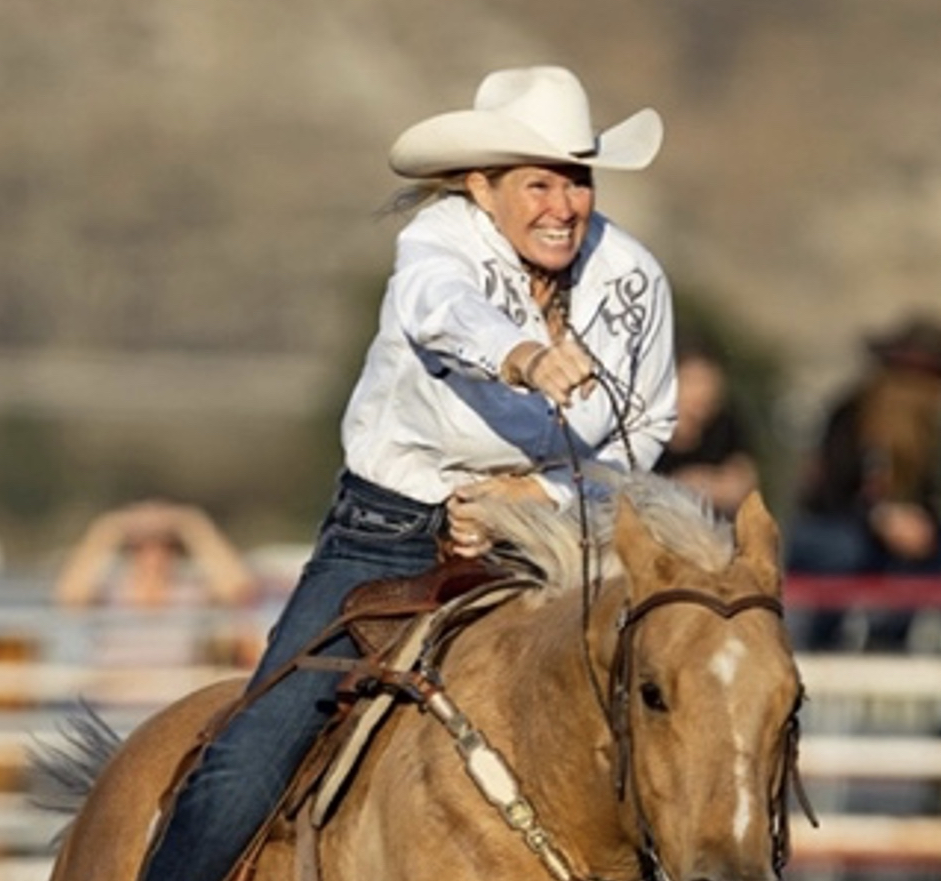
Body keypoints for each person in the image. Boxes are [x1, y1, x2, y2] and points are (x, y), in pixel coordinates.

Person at [139, 65, 676, 881]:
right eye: (538, 183)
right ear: (481, 187)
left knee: (661, 725)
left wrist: (532, 498)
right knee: (249, 762)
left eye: (577, 180)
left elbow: (649, 426)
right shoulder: (438, 243)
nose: (563, 205)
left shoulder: (632, 278)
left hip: (553, 545)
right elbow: (438, 308)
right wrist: (524, 355)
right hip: (386, 538)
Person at [784, 312, 941, 651]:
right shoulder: (849, 417)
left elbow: (929, 500)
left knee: (939, 546)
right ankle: (819, 643)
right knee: (845, 549)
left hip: (887, 544)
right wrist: (879, 519)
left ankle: (888, 640)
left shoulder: (928, 440)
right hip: (833, 531)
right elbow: (829, 494)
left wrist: (921, 526)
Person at [54, 500, 260, 665]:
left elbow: (239, 590)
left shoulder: (189, 590)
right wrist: (110, 527)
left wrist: (192, 524)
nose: (152, 553)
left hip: (178, 692)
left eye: (165, 544)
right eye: (139, 545)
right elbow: (68, 596)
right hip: (115, 690)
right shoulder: (110, 590)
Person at [653, 334, 759, 517]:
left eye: (709, 382)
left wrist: (698, 485)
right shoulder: (645, 428)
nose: (702, 393)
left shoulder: (724, 426)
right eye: (693, 381)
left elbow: (743, 484)